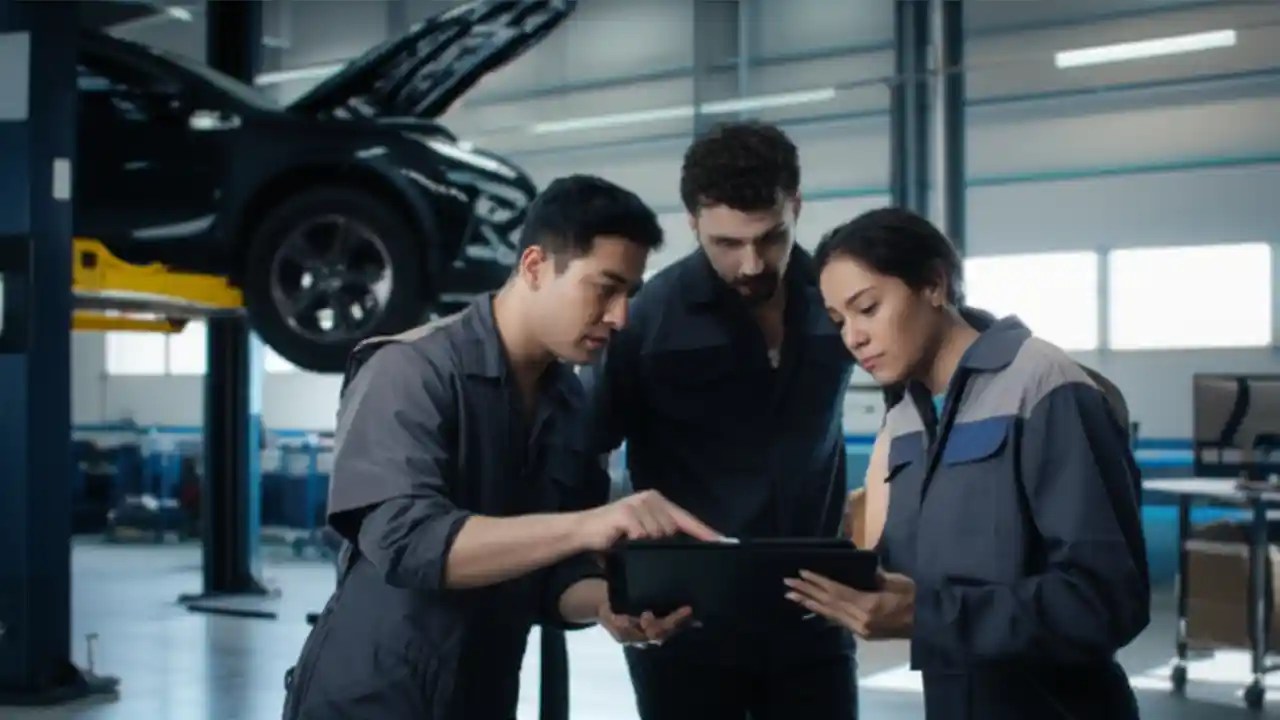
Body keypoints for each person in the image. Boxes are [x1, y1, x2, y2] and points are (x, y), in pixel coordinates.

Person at [281, 174, 723, 720]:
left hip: (482, 694)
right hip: (372, 695)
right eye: (604, 288)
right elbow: (408, 541)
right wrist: (589, 524)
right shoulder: (410, 370)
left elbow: (552, 574)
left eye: (629, 294)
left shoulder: (570, 406)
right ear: (535, 266)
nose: (620, 317)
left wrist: (606, 606)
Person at [786, 207, 1151, 720]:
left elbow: (1107, 599)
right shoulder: (907, 416)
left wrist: (926, 611)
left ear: (934, 284)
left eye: (867, 308)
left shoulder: (1044, 386)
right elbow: (926, 575)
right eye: (839, 321)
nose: (853, 337)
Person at [582, 120, 859, 720]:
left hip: (814, 615)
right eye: (727, 243)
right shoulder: (646, 320)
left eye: (771, 237)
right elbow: (584, 454)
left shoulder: (839, 302)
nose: (752, 263)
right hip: (683, 626)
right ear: (693, 223)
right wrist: (600, 587)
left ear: (797, 207)